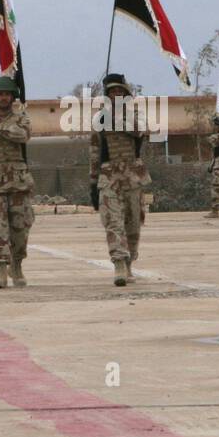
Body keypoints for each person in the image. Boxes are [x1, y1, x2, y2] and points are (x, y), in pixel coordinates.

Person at [90, 72, 151, 284]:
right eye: (112, 91)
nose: (116, 94)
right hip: (109, 176)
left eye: (119, 91)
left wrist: (115, 120)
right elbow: (95, 151)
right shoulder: (100, 117)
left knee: (133, 224)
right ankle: (119, 263)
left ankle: (130, 262)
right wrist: (92, 180)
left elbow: (140, 130)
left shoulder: (136, 113)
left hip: (133, 176)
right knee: (113, 223)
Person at [0, 76, 34, 288]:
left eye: (7, 94)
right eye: (0, 94)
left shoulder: (22, 118)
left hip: (19, 181)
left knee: (20, 227)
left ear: (13, 97)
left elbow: (24, 136)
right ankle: (0, 270)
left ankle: (17, 264)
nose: (3, 97)